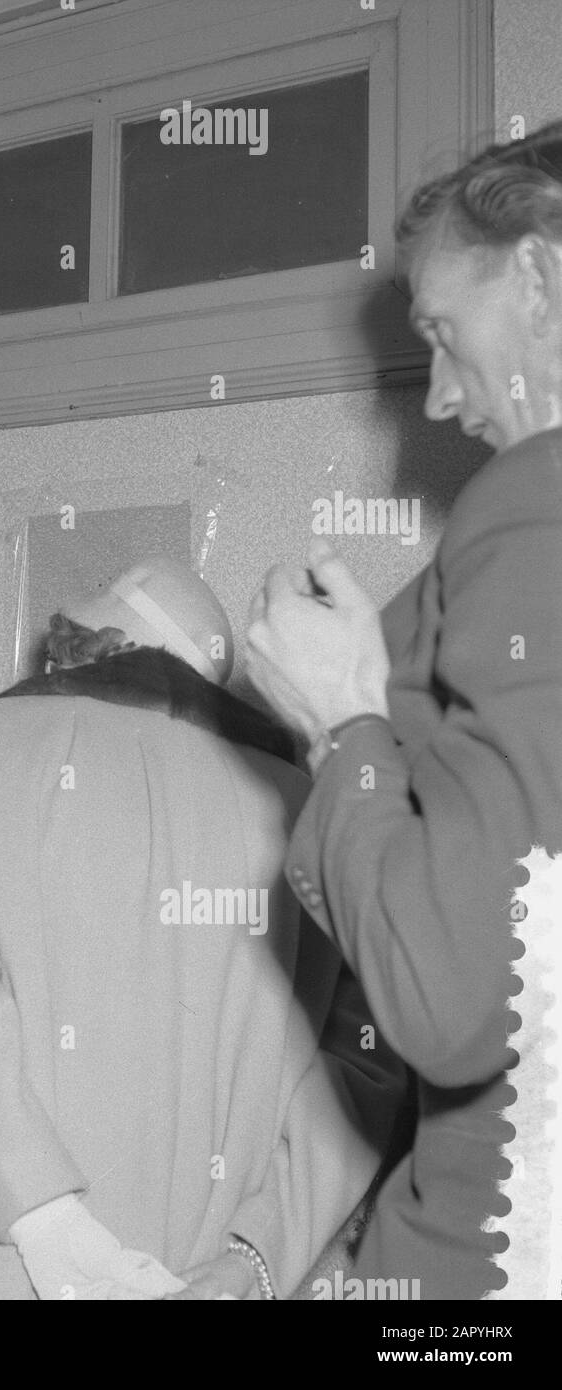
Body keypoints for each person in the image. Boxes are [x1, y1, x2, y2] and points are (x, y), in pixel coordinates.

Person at [0, 556, 404, 1300]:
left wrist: (44, 1216)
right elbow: (364, 1064)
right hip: (197, 1274)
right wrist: (256, 1259)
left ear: (106, 645)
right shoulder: (309, 813)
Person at [245, 120, 562, 1299]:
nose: (432, 395)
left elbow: (450, 993)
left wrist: (341, 721)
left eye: (439, 332)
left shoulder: (534, 500)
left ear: (535, 272)